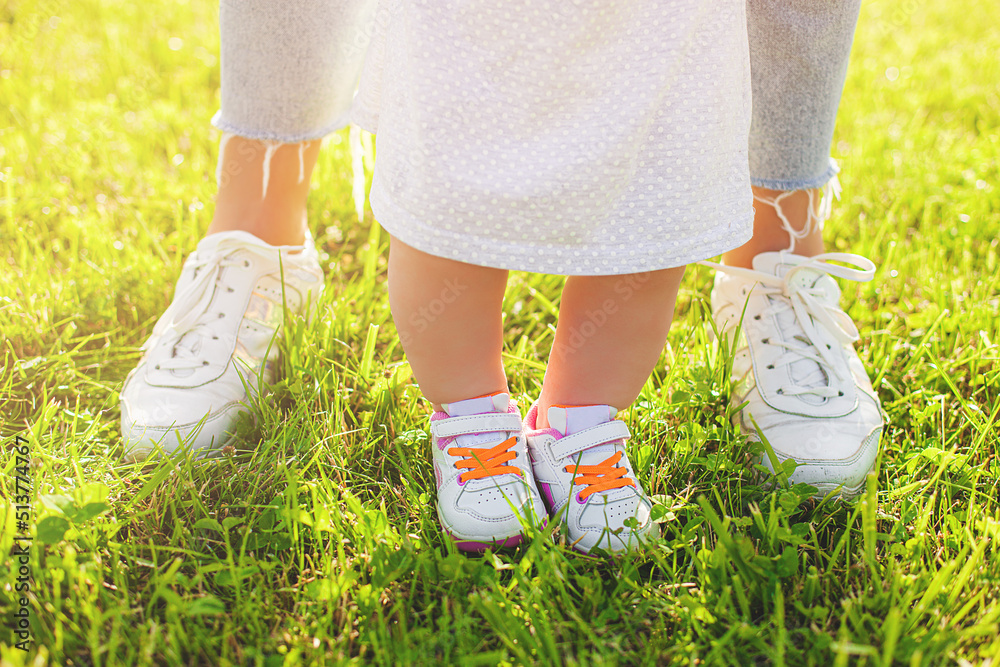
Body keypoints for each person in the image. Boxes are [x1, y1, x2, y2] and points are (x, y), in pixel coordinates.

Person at [121, 0, 882, 528]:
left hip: (664, 34)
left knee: (644, 225)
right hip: (473, 38)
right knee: (453, 205)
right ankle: (473, 421)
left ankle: (580, 429)